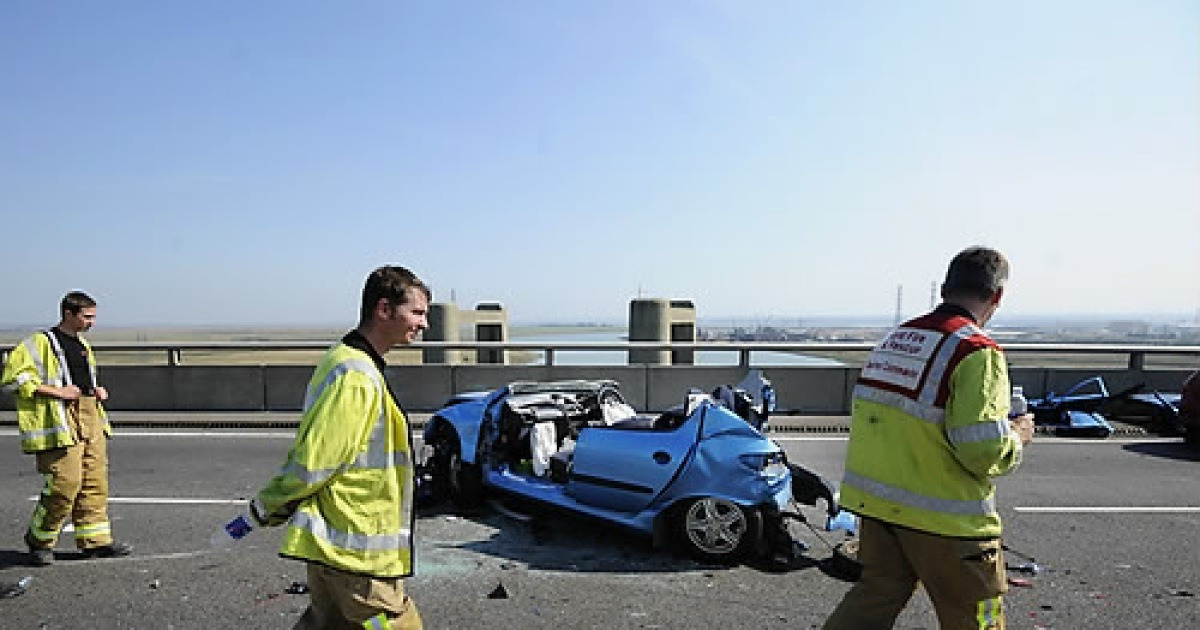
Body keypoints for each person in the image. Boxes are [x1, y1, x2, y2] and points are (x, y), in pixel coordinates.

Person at [824, 247, 1035, 630]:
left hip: (880, 508)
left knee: (873, 600)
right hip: (946, 521)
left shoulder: (896, 339)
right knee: (978, 615)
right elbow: (982, 450)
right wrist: (1017, 436)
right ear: (997, 297)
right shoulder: (976, 351)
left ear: (945, 287)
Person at [249, 265, 429, 629]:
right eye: (417, 312)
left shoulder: (349, 361)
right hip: (355, 554)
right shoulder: (356, 376)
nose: (424, 324)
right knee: (391, 625)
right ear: (383, 310)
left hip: (336, 547)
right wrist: (266, 506)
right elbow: (315, 462)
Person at [1, 291, 133, 566]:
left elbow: (81, 378)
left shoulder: (82, 345)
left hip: (90, 415)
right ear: (69, 314)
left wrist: (95, 391)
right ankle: (40, 541)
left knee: (94, 483)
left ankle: (95, 542)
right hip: (61, 420)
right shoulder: (39, 343)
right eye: (87, 316)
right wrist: (57, 392)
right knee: (64, 483)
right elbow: (13, 379)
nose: (92, 323)